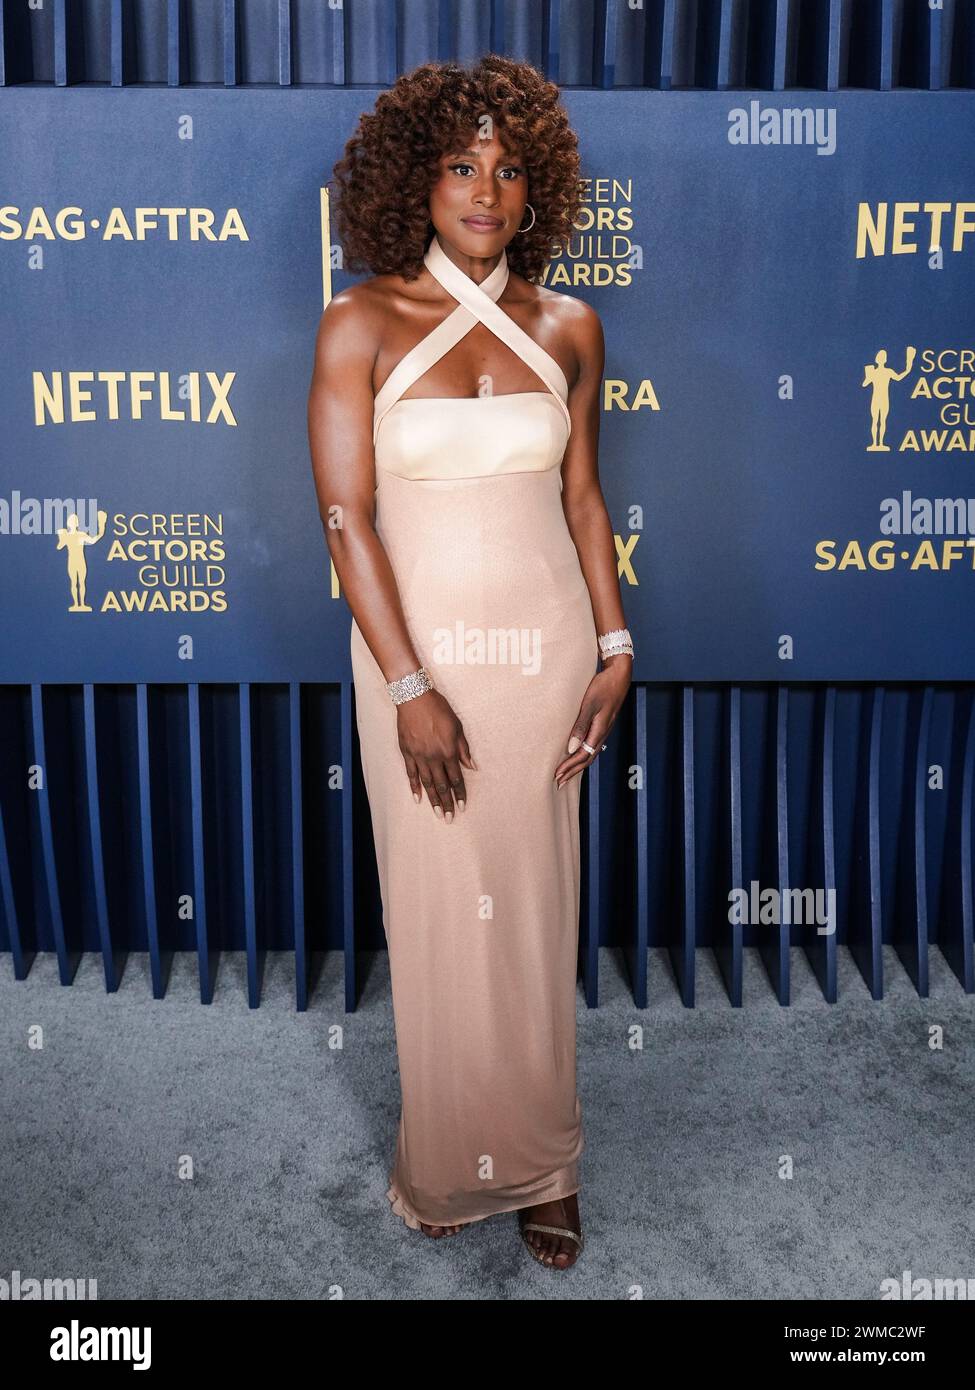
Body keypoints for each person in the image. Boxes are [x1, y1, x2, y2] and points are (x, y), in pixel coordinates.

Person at [307, 55, 632, 1271]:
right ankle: (447, 1158)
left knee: (537, 905)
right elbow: (345, 517)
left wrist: (615, 644)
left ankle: (546, 1166)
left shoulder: (571, 325)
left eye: (508, 169)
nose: (486, 191)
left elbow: (585, 498)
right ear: (416, 180)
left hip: (547, 651)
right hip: (416, 659)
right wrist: (409, 685)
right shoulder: (360, 321)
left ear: (537, 187)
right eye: (460, 165)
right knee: (439, 908)